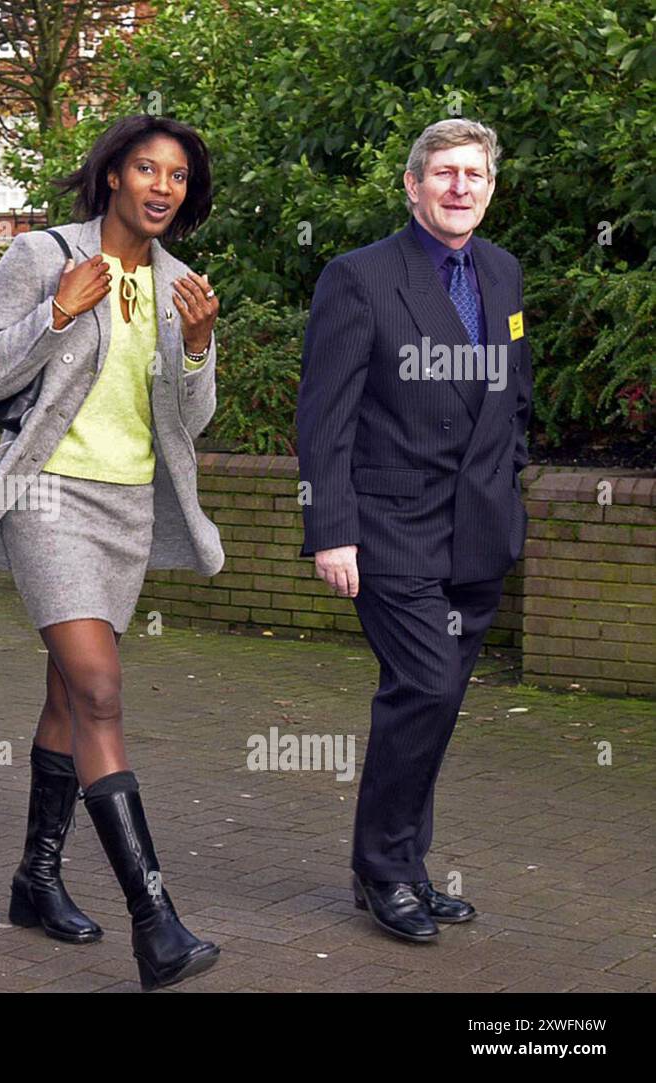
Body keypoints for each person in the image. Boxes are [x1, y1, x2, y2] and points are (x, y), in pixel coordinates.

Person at [0, 115, 225, 990]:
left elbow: (190, 421)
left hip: (128, 505)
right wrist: (57, 315)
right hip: (48, 495)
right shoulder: (43, 256)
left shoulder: (179, 282)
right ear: (113, 176)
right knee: (100, 687)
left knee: (69, 696)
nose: (162, 186)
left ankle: (36, 879)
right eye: (147, 167)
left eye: (177, 176)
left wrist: (201, 348)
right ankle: (157, 920)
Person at [295, 118, 533, 942]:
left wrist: (511, 476)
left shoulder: (503, 273)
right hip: (389, 530)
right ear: (412, 185)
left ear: (490, 187)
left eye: (475, 174)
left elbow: (514, 394)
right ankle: (383, 869)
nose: (461, 187)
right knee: (425, 686)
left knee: (434, 704)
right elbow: (323, 418)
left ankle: (405, 863)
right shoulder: (359, 278)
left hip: (478, 532)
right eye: (444, 174)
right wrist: (331, 530)